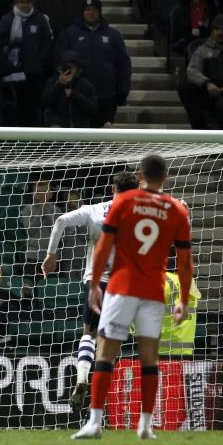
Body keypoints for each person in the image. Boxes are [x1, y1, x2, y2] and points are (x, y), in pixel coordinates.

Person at [72, 154, 193, 441]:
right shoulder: (177, 210)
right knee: (149, 358)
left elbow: (103, 246)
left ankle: (94, 423)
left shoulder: (123, 202)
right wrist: (183, 300)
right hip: (153, 291)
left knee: (105, 354)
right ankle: (146, 425)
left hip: (121, 287)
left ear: (140, 176)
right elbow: (185, 260)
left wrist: (94, 285)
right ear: (166, 177)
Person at [41, 172, 139, 412]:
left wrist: (51, 255)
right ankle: (99, 397)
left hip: (97, 282)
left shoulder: (94, 210)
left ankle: (82, 377)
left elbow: (60, 221)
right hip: (126, 284)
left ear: (113, 189)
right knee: (111, 340)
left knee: (89, 333)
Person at [53, 0, 132, 127]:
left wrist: (123, 90)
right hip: (79, 95)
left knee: (104, 133)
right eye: (87, 9)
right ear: (82, 12)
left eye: (94, 9)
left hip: (106, 95)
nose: (91, 12)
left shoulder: (114, 35)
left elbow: (123, 64)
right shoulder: (69, 34)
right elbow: (59, 61)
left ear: (99, 12)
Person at [179, 14, 223, 129]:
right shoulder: (203, 49)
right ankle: (200, 129)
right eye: (216, 29)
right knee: (184, 88)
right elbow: (192, 70)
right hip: (211, 89)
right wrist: (207, 83)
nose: (220, 32)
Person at [41, 54, 98, 127]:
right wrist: (58, 85)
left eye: (72, 68)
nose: (69, 71)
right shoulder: (52, 82)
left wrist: (74, 94)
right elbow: (45, 103)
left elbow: (93, 109)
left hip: (79, 126)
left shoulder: (86, 85)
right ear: (60, 69)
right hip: (57, 126)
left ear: (78, 70)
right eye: (67, 67)